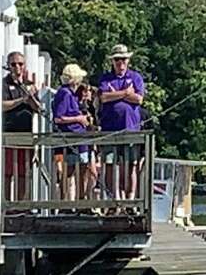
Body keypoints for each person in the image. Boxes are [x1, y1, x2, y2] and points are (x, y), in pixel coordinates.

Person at [98, 44, 145, 202]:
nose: (121, 63)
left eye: (124, 59)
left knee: (131, 165)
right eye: (117, 60)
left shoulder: (135, 77)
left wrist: (115, 94)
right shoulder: (105, 78)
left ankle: (130, 199)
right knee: (110, 165)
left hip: (131, 129)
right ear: (113, 61)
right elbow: (104, 97)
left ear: (128, 60)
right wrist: (125, 93)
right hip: (109, 130)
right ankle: (114, 199)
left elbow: (138, 99)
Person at [2, 51, 41, 201]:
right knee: (8, 172)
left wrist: (32, 99)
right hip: (9, 134)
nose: (17, 67)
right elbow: (2, 105)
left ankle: (21, 205)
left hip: (27, 135)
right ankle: (7, 204)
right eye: (13, 64)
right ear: (8, 66)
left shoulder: (27, 85)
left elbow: (38, 108)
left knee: (24, 172)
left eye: (20, 64)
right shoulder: (4, 84)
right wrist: (21, 100)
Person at [53, 64, 94, 202]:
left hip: (78, 138)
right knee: (72, 171)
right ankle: (70, 202)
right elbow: (58, 118)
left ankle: (79, 200)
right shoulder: (65, 94)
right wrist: (79, 118)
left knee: (81, 170)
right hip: (72, 138)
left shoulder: (70, 94)